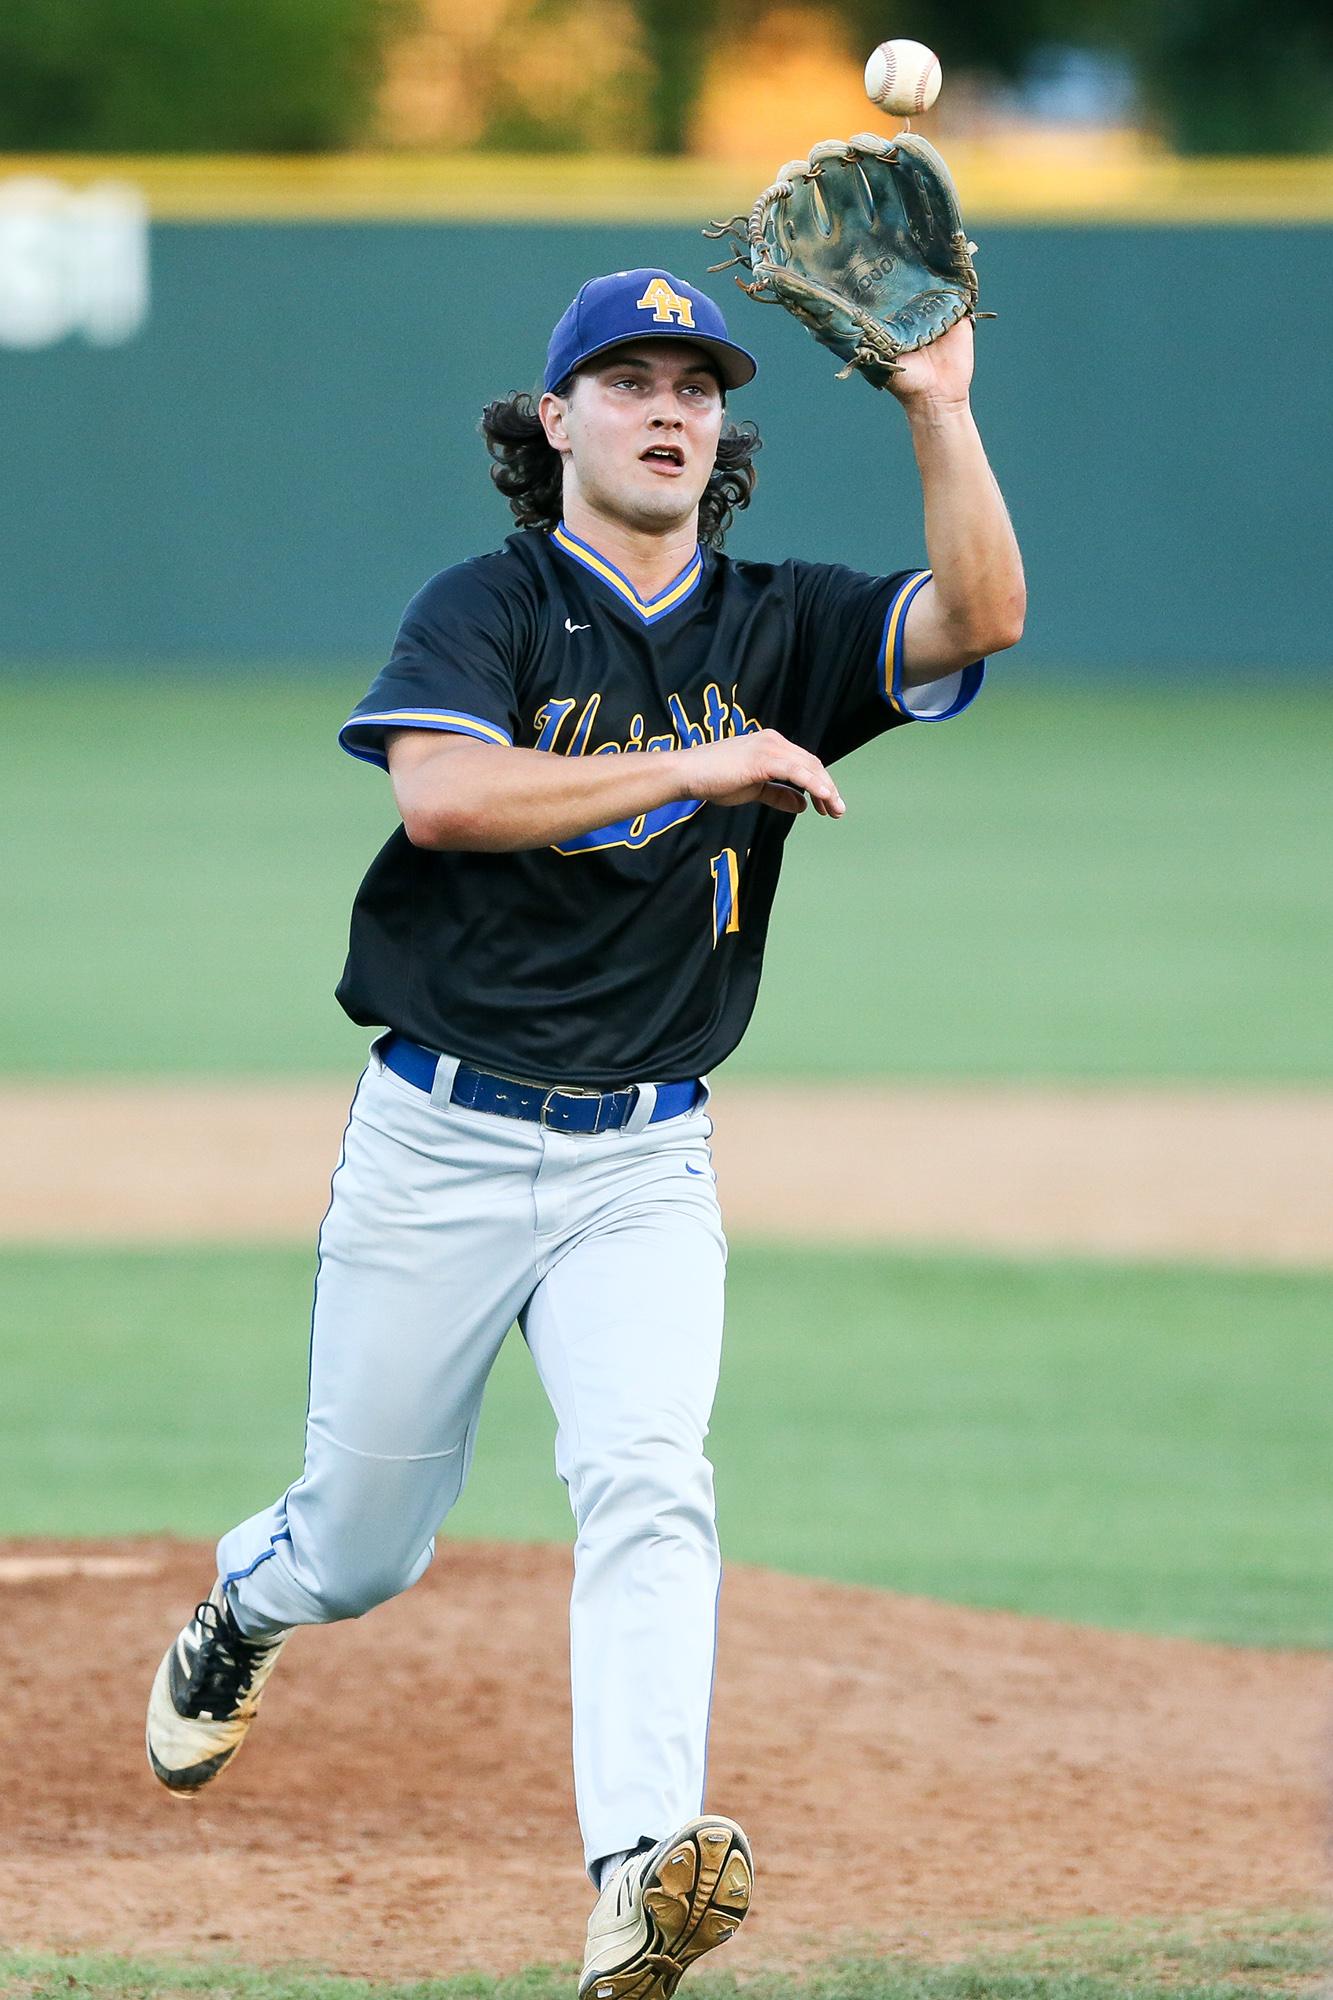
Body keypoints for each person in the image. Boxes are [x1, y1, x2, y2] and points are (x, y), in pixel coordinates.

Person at [145, 266, 1024, 1999]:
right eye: (627, 377)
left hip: (644, 1158)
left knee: (646, 1481)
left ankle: (637, 1872)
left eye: (696, 381)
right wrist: (696, 770)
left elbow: (978, 617)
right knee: (361, 1548)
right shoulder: (481, 605)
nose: (670, 405)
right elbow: (445, 794)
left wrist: (937, 406)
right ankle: (247, 1606)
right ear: (554, 422)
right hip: (440, 1146)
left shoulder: (777, 622)